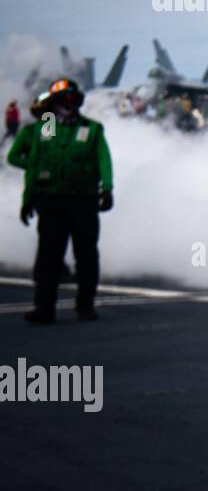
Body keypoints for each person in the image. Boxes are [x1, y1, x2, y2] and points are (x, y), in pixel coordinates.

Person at [18, 78, 113, 323]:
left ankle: (85, 306)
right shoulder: (47, 127)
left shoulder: (90, 128)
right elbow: (35, 164)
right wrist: (28, 199)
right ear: (54, 104)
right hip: (51, 201)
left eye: (71, 100)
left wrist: (107, 189)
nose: (67, 105)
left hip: (84, 200)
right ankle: (44, 309)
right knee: (48, 257)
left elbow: (104, 160)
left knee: (87, 255)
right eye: (62, 101)